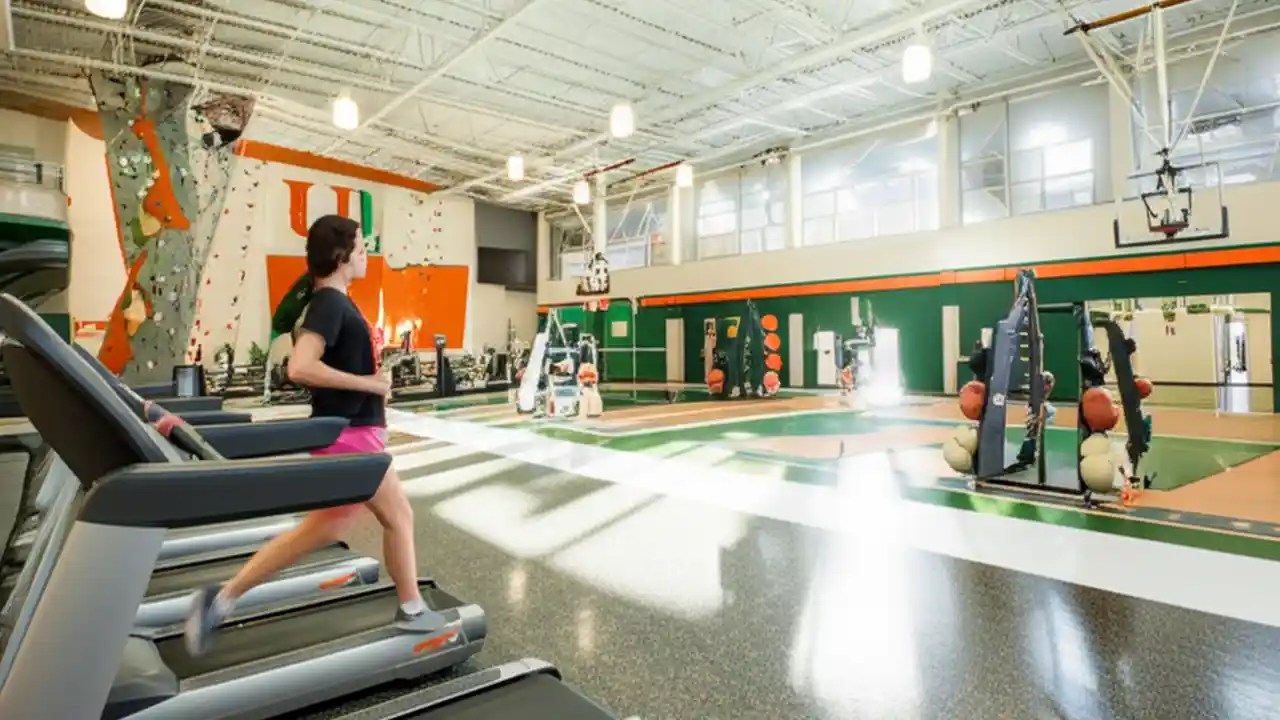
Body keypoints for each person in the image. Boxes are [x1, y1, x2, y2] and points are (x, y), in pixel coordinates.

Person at [184, 214, 445, 656]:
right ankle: (413, 610)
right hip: (349, 436)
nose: (365, 256)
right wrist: (370, 384)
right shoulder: (328, 303)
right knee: (397, 517)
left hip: (351, 434)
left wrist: (371, 378)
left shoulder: (337, 302)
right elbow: (300, 367)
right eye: (361, 249)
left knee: (323, 528)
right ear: (342, 258)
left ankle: (222, 599)